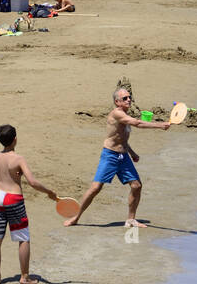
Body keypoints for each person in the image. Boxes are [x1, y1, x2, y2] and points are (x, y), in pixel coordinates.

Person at [64, 86, 173, 229]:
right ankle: (75, 217)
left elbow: (121, 139)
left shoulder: (125, 115)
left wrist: (132, 153)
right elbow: (137, 123)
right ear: (117, 102)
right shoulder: (117, 114)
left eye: (129, 97)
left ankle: (131, 220)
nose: (129, 100)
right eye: (125, 98)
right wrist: (160, 125)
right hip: (110, 155)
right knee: (95, 188)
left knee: (136, 186)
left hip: (123, 156)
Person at [0, 123, 58, 284]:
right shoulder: (18, 159)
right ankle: (24, 276)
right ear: (15, 139)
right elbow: (32, 182)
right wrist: (49, 192)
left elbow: (1, 172)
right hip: (14, 199)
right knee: (23, 238)